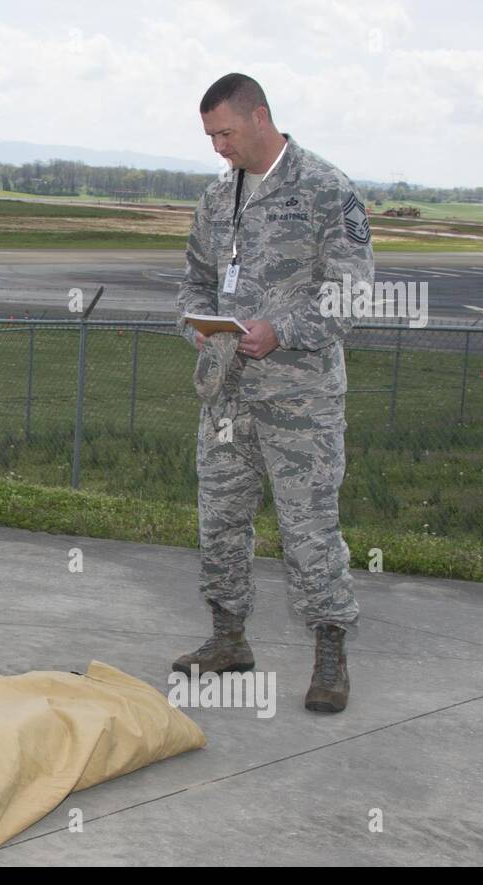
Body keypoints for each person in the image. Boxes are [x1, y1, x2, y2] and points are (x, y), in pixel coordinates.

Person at [174, 73, 374, 713]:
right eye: (209, 136)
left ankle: (330, 657)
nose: (217, 147)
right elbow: (195, 283)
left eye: (225, 133)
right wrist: (199, 326)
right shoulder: (215, 199)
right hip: (226, 397)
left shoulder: (325, 189)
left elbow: (352, 294)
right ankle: (228, 639)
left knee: (308, 529)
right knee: (221, 522)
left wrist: (280, 330)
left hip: (299, 401)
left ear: (260, 117)